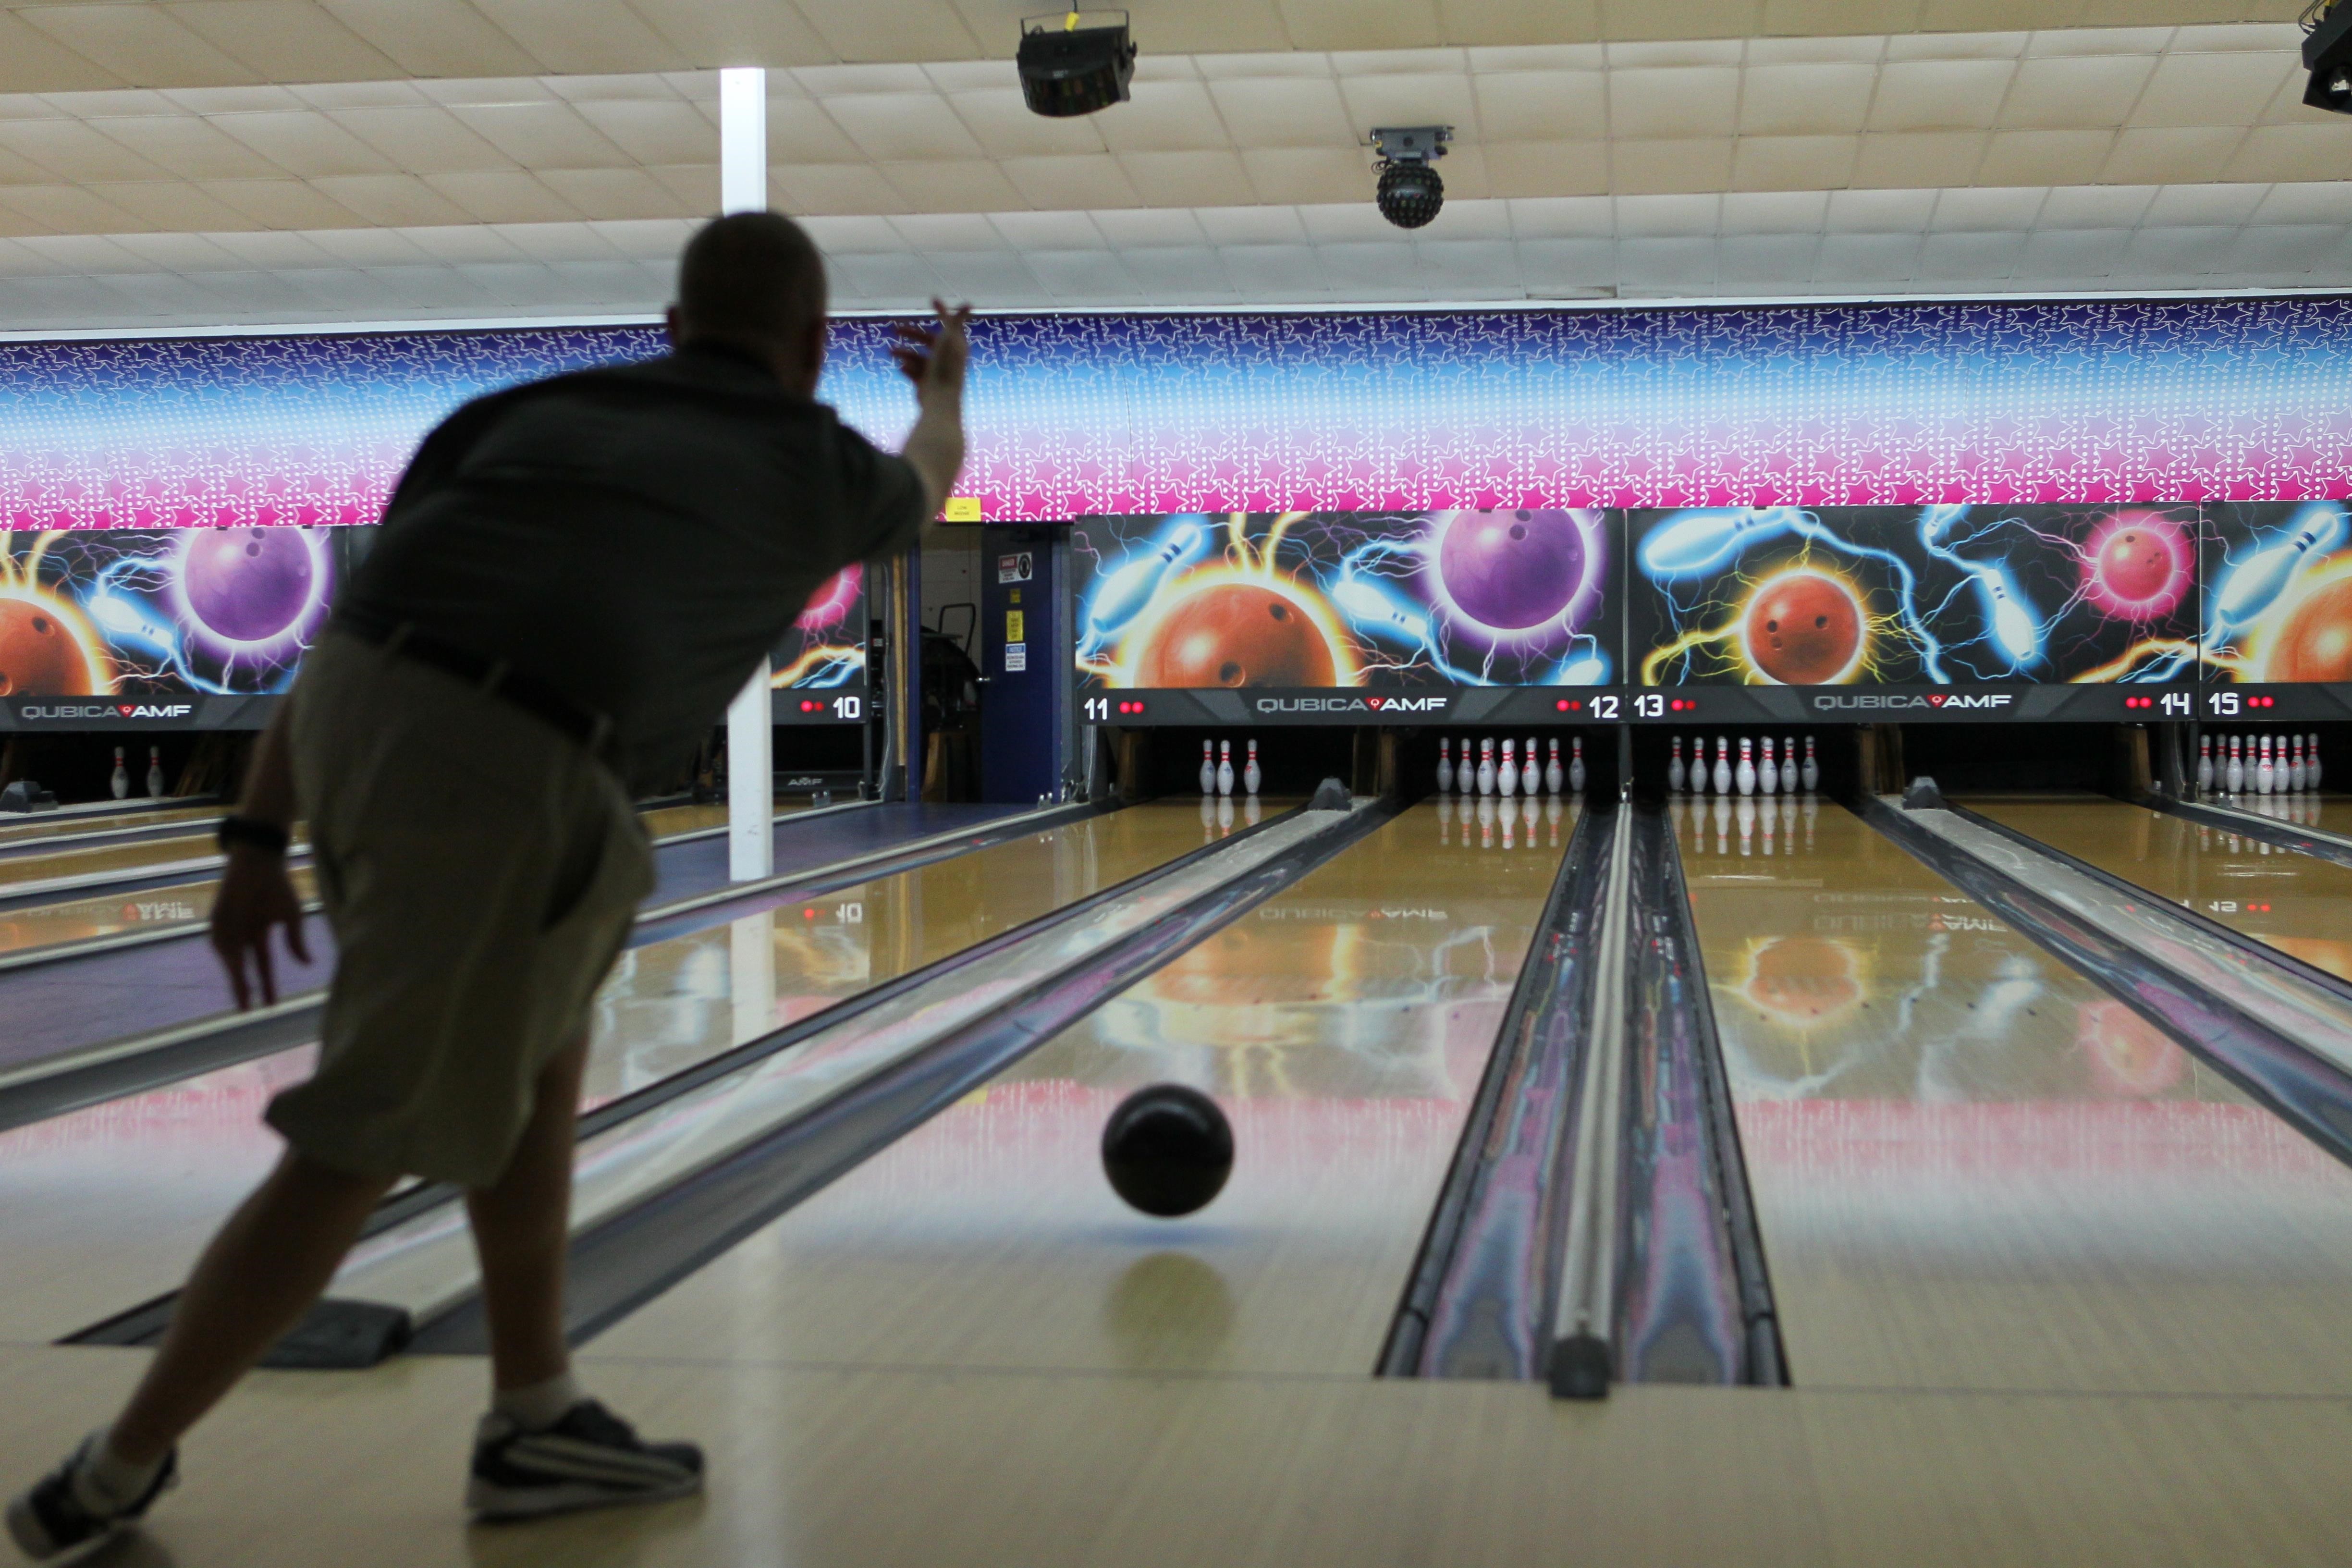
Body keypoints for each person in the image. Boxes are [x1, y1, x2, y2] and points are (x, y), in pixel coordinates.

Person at [6, 210, 971, 1558]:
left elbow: (369, 617)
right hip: (507, 767)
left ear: (670, 327)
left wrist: (249, 840)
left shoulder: (513, 414)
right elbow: (929, 477)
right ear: (814, 347)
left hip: (348, 724)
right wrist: (945, 391)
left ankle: (536, 1415)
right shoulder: (811, 458)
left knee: (539, 1071)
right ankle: (108, 1473)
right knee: (363, 1140)